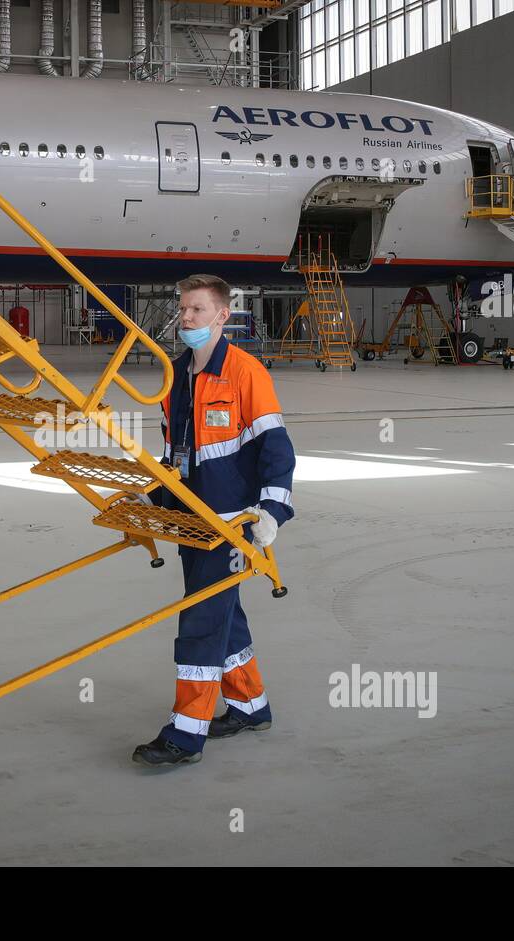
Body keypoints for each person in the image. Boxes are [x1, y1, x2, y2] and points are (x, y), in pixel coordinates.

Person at [132, 274, 295, 767]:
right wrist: (156, 497)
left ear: (223, 315)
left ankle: (185, 734)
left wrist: (272, 510)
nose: (187, 318)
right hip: (191, 521)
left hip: (230, 525)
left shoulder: (246, 373)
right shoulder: (174, 376)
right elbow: (175, 453)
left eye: (197, 310)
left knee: (202, 620)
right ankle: (250, 706)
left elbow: (276, 446)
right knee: (226, 615)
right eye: (183, 309)